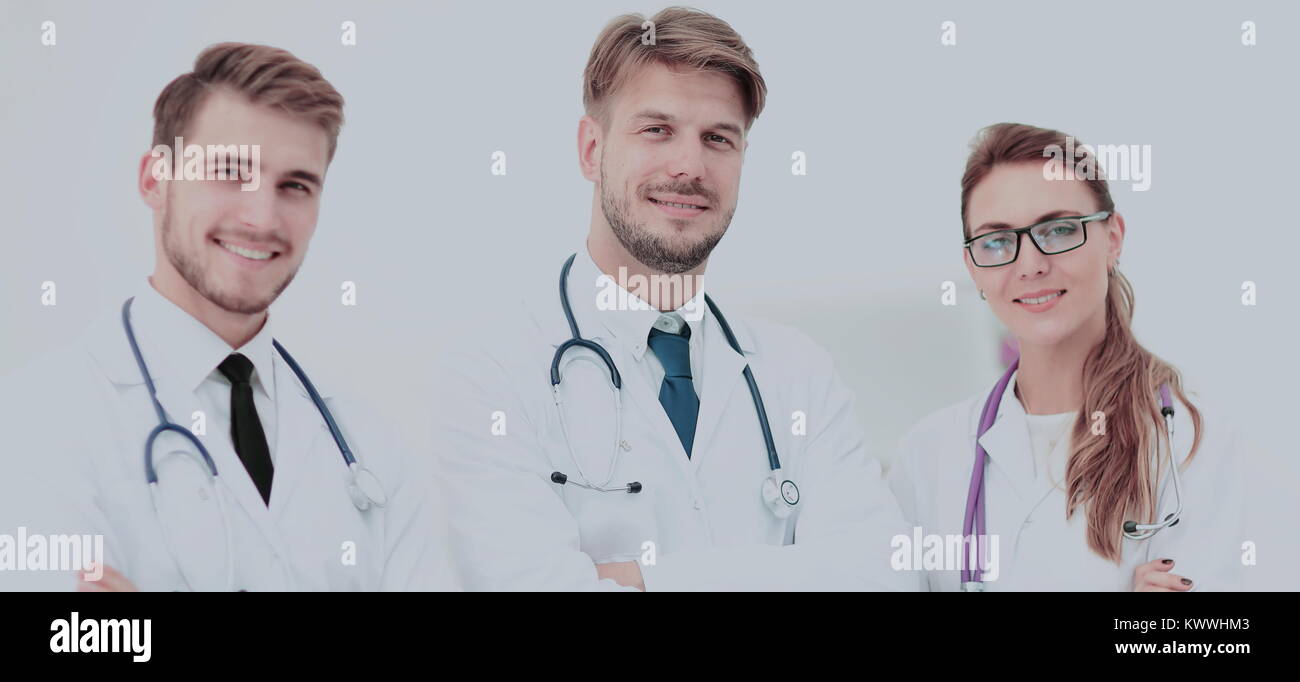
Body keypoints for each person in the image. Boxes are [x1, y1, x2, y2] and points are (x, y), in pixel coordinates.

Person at [432, 7, 916, 591]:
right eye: (656, 129)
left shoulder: (798, 374)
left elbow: (883, 576)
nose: (689, 167)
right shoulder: (492, 373)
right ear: (592, 149)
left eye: (718, 138)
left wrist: (641, 579)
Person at [0, 43, 445, 591]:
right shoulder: (34, 423)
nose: (261, 217)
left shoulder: (369, 447)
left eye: (295, 186)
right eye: (230, 172)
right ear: (154, 181)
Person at [887, 122, 1246, 591]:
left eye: (1057, 230)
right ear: (973, 266)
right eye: (997, 241)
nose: (1030, 264)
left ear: (1112, 238)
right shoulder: (927, 457)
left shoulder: (1193, 445)